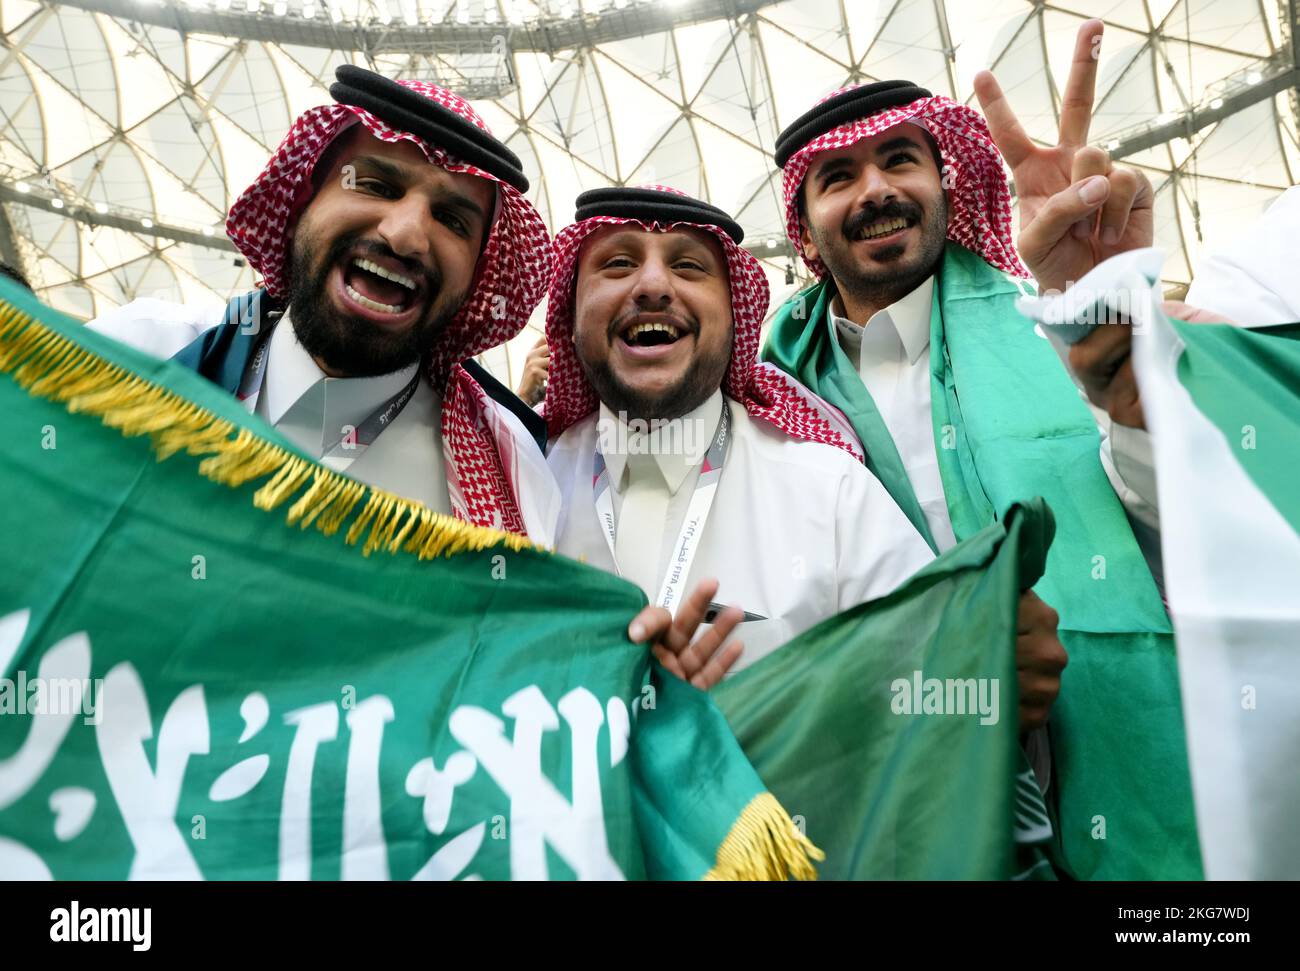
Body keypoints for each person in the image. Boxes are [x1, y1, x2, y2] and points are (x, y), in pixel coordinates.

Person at [761, 20, 1198, 877]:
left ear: (948, 186)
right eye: (838, 176)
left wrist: (1110, 335)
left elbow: (1167, 516)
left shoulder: (1055, 326)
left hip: (1104, 743)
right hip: (893, 786)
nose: (875, 189)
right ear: (805, 232)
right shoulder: (771, 392)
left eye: (900, 162)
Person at [88, 66, 554, 538]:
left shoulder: (513, 473)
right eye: (376, 186)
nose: (406, 235)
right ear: (301, 201)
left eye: (453, 220)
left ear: (477, 275)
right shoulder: (130, 356)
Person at [540, 184, 940, 683]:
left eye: (688, 266)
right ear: (570, 313)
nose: (652, 286)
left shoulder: (828, 489)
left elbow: (936, 676)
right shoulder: (521, 480)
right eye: (618, 264)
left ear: (736, 317)